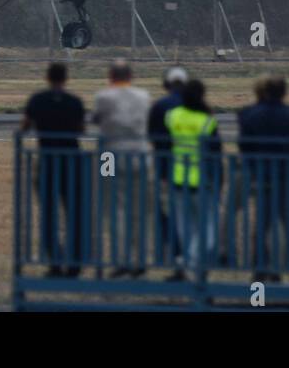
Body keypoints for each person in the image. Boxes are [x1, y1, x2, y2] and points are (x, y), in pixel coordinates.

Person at [237, 75, 289, 282]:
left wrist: (253, 168)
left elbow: (244, 145)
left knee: (260, 227)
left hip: (262, 176)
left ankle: (260, 269)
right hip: (285, 177)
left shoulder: (253, 116)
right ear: (285, 93)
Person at [21, 62, 87, 278]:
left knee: (48, 216)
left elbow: (24, 127)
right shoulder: (75, 102)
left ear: (47, 78)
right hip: (71, 163)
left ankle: (55, 264)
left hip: (48, 162)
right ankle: (75, 264)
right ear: (66, 79)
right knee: (74, 215)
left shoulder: (37, 100)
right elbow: (82, 129)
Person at [93, 59, 150, 277]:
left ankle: (122, 259)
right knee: (139, 210)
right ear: (130, 77)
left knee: (115, 210)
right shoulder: (143, 96)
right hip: (139, 155)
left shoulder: (104, 96)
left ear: (111, 76)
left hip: (113, 155)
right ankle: (140, 259)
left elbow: (97, 119)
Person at [164, 78, 223, 279]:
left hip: (178, 177)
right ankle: (192, 260)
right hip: (202, 180)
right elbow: (216, 151)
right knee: (208, 229)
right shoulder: (206, 121)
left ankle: (188, 263)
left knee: (184, 227)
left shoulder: (172, 116)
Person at [148, 66, 187, 265]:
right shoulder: (197, 106)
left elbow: (152, 135)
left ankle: (173, 253)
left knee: (165, 211)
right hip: (192, 171)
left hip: (166, 168)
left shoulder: (160, 105)